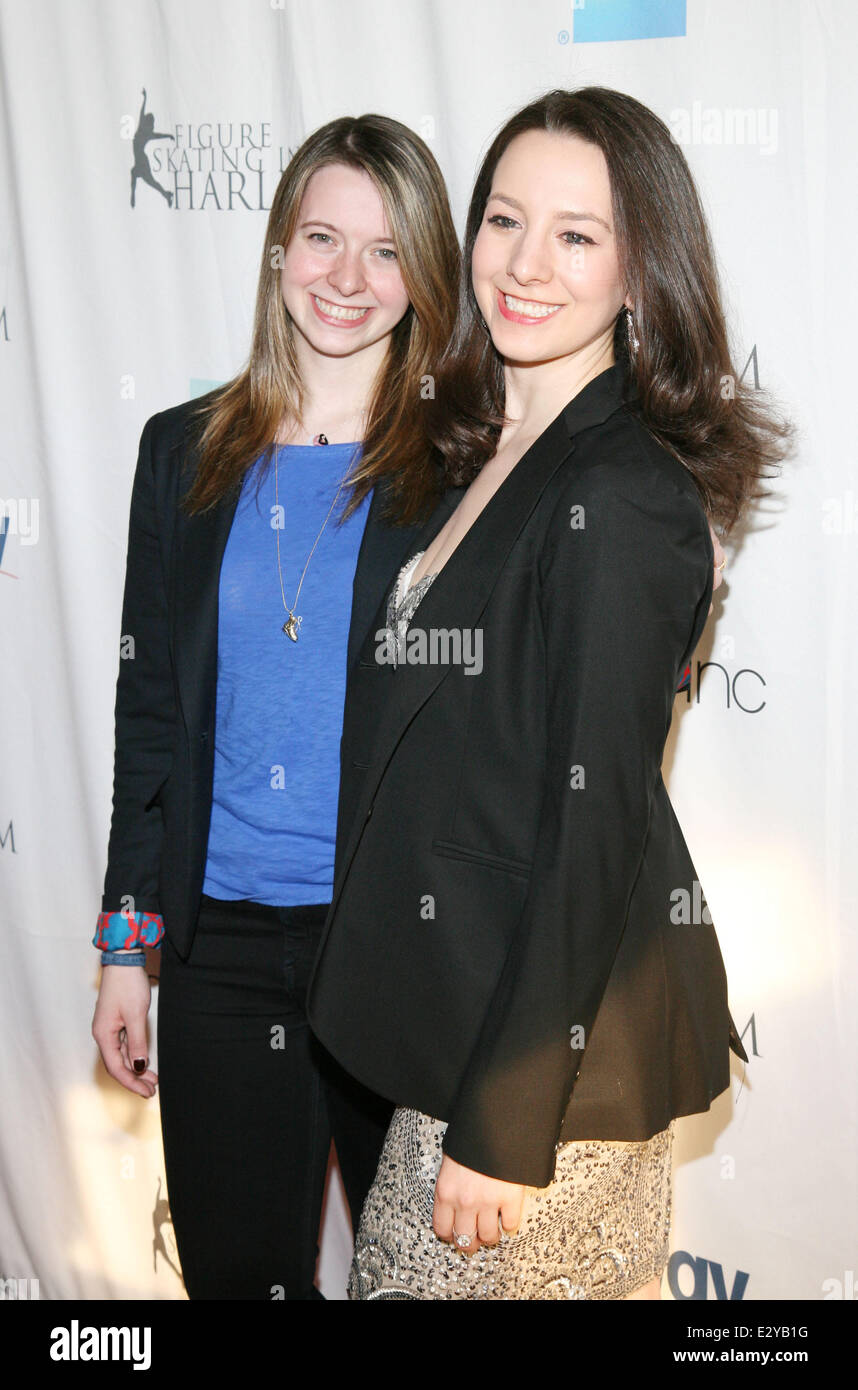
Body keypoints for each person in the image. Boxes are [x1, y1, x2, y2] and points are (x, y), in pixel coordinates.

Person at [305, 87, 792, 1301]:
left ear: (640, 269)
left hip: (536, 1095)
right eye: (504, 221)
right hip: (457, 1035)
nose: (525, 265)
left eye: (576, 235)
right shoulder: (486, 451)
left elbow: (593, 827)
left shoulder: (622, 488)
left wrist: (505, 1127)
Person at [91, 113, 460, 1299]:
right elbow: (150, 717)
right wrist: (124, 952)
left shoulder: (466, 468)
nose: (348, 280)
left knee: (417, 1282)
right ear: (277, 250)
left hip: (395, 947)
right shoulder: (181, 455)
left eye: (387, 250)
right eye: (322, 239)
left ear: (426, 275)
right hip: (221, 951)